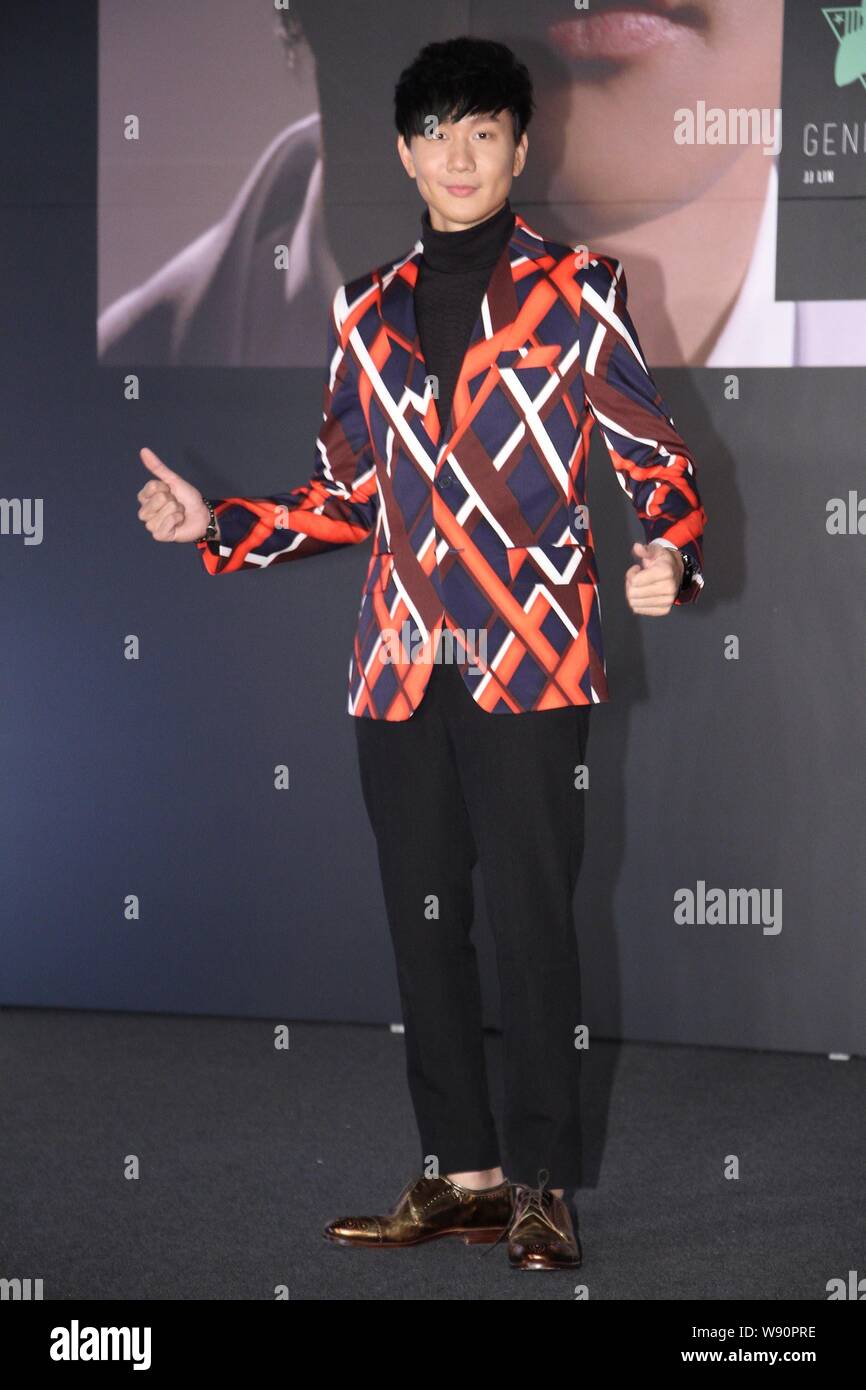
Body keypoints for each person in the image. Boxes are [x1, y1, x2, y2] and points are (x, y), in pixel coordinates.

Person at [136, 35, 707, 1271]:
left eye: (484, 131)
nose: (460, 154)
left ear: (517, 147)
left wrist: (666, 553)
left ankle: (544, 1183)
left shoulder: (579, 289)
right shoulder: (363, 310)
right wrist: (221, 526)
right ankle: (463, 1174)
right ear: (404, 152)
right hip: (398, 664)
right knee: (423, 921)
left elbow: (655, 466)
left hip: (530, 658)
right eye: (436, 132)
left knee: (532, 925)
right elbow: (348, 493)